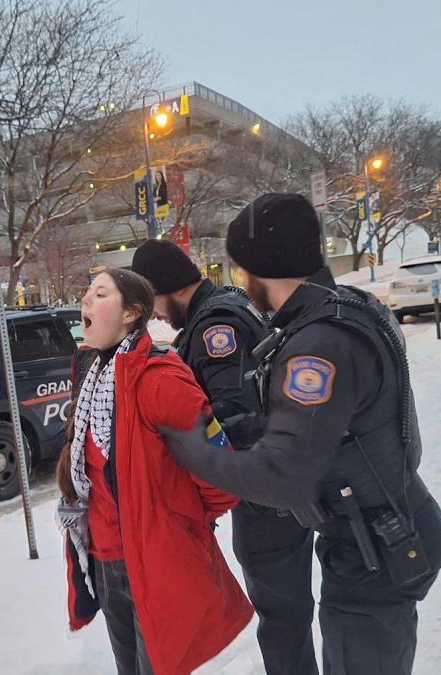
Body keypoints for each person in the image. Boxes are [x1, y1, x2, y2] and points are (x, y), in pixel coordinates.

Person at [159, 193, 441, 675]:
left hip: (377, 551)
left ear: (258, 267)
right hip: (375, 535)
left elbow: (280, 477)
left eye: (239, 268)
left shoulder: (318, 346)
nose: (238, 281)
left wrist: (189, 449)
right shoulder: (345, 309)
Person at [131, 240, 317, 674]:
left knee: (281, 615)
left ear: (166, 288)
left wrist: (198, 474)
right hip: (273, 485)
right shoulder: (223, 306)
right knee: (285, 611)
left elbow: (234, 418)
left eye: (153, 302)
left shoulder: (217, 326)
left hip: (265, 495)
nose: (155, 315)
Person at [56, 268, 252, 675]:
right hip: (106, 561)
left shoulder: (159, 379)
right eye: (86, 293)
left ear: (132, 313)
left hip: (156, 565)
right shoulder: (91, 378)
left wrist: (179, 530)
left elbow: (220, 476)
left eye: (100, 293)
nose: (86, 302)